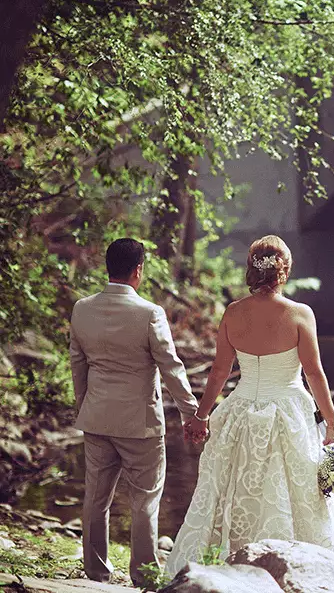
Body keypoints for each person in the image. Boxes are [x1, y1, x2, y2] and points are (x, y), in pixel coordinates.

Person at [164, 234, 334, 576]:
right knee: (295, 492)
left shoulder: (233, 313)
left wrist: (201, 417)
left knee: (233, 488)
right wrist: (332, 423)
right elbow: (314, 373)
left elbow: (219, 371)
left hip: (241, 409)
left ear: (251, 269)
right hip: (290, 412)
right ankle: (297, 572)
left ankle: (233, 566)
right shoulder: (300, 314)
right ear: (284, 270)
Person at [69, 238, 203, 586]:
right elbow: (171, 367)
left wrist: (83, 405)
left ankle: (96, 572)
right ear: (138, 270)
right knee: (144, 499)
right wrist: (193, 413)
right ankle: (143, 577)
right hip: (140, 424)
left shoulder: (82, 308)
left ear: (107, 267)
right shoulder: (149, 314)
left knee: (96, 498)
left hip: (97, 417)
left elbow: (77, 363)